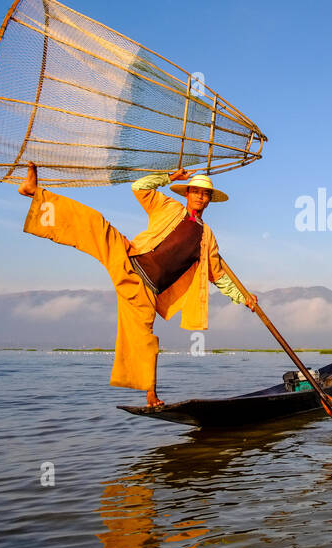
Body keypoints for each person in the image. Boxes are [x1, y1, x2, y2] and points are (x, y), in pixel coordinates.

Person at [18, 162, 256, 408]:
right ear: (187, 194)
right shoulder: (168, 207)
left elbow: (218, 276)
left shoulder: (207, 237)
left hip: (146, 290)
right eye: (196, 191)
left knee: (145, 339)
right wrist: (168, 176)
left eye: (205, 194)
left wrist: (244, 297)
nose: (200, 196)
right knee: (94, 223)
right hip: (128, 258)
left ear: (209, 201)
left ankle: (151, 394)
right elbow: (139, 187)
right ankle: (35, 192)